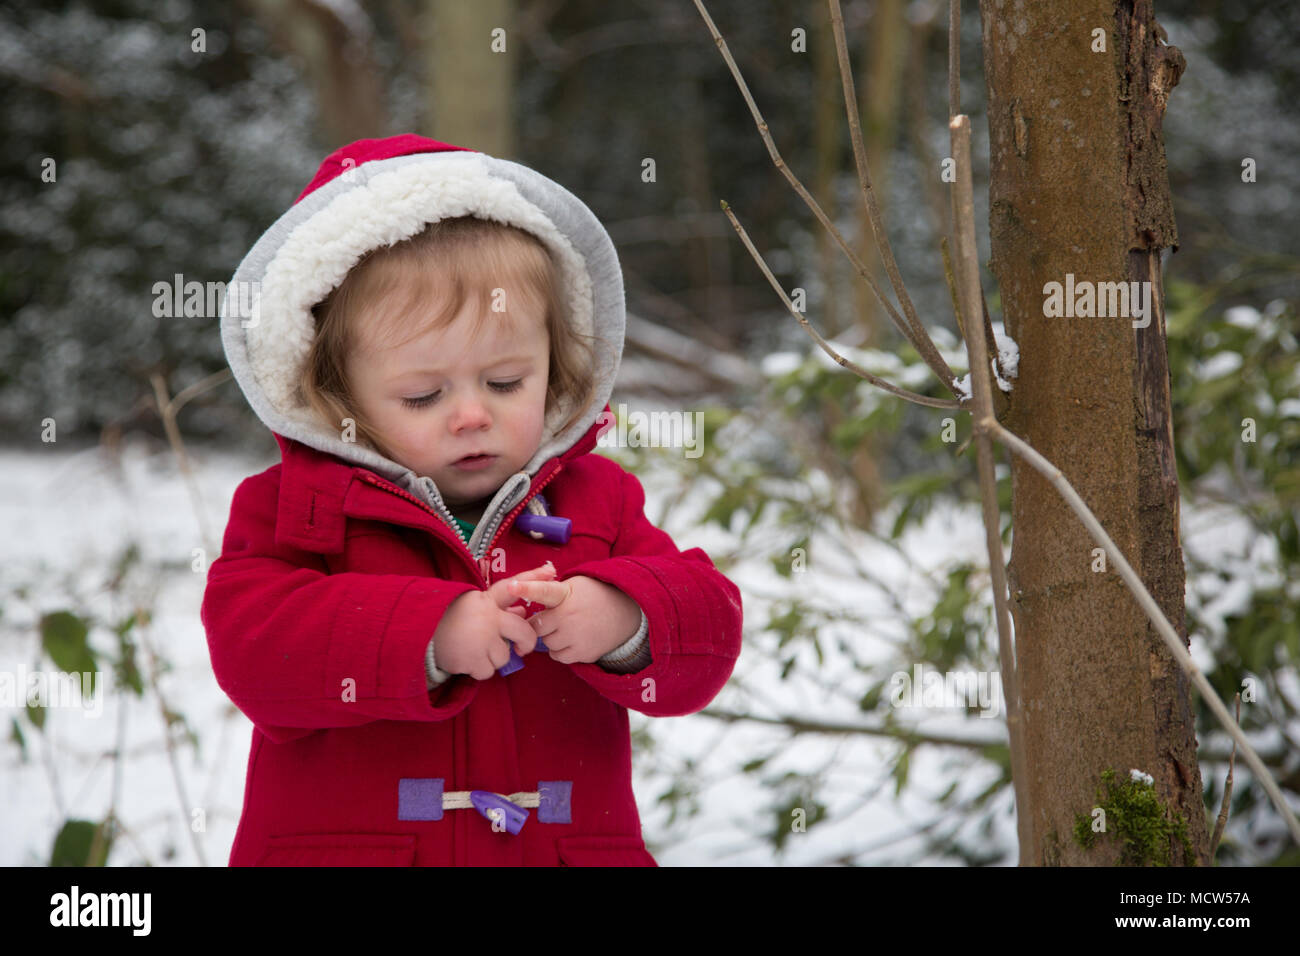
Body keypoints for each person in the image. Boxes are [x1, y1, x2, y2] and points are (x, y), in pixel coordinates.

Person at [202, 134, 744, 866]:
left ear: (557, 365)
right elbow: (256, 654)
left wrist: (626, 617)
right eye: (423, 394)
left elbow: (706, 629)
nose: (471, 416)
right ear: (336, 392)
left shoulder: (599, 501)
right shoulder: (294, 510)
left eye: (505, 382)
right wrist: (427, 635)